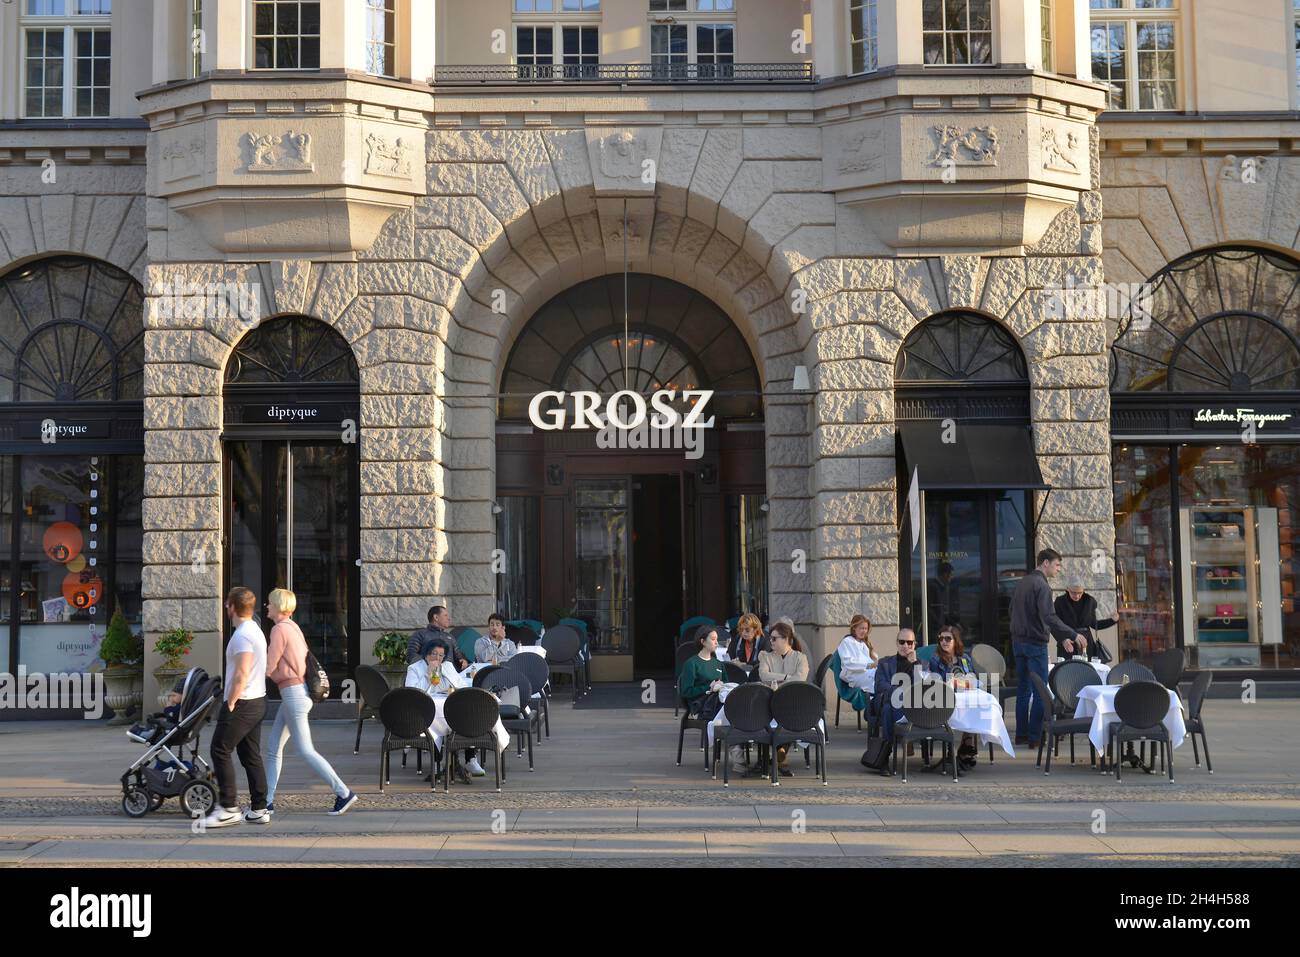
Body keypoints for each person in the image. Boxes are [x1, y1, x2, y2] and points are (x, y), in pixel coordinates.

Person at [262, 588, 357, 818]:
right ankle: (266, 801)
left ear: (278, 606)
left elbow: (269, 665)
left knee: (305, 750)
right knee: (274, 747)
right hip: (294, 693)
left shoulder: (279, 630)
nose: (267, 607)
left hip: (293, 694)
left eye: (269, 604)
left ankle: (343, 792)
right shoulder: (293, 627)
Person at [202, 587, 269, 828]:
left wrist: (230, 701)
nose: (225, 608)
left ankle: (229, 807)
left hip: (243, 701)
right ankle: (260, 808)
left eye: (227, 604)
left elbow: (242, 671)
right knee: (250, 755)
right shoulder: (256, 631)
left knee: (219, 749)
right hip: (258, 699)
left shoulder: (242, 636)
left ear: (232, 606)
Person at [1010, 548, 1087, 748]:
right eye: (1056, 565)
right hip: (1035, 645)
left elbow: (1016, 612)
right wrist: (1073, 634)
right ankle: (1035, 738)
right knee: (1040, 691)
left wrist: (1061, 638)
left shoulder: (1022, 583)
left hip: (1018, 643)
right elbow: (1048, 617)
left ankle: (1021, 735)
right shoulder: (1042, 586)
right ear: (1045, 563)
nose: (1058, 569)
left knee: (1023, 689)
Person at [406, 638, 473, 783]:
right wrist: (428, 675)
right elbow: (411, 694)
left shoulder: (447, 666)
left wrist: (451, 684)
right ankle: (436, 763)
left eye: (441, 655)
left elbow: (460, 686)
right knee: (436, 724)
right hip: (423, 710)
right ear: (426, 654)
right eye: (434, 654)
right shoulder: (415, 668)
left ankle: (468, 758)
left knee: (468, 714)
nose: (437, 658)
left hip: (448, 705)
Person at [758, 621, 810, 777]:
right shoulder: (766, 656)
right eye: (770, 638)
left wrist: (778, 681)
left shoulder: (800, 657)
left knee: (790, 715)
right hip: (769, 701)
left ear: (785, 638)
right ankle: (778, 754)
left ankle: (778, 753)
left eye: (774, 638)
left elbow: (800, 679)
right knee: (762, 717)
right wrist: (787, 677)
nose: (771, 641)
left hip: (791, 701)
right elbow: (763, 675)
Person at [929, 624, 979, 770]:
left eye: (947, 638)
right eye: (941, 638)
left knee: (974, 706)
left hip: (963, 697)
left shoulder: (964, 659)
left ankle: (966, 744)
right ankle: (963, 749)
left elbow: (972, 678)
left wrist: (961, 681)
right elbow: (936, 681)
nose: (943, 641)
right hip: (943, 699)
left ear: (956, 641)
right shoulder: (936, 660)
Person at [872, 628, 918, 746]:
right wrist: (899, 693)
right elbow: (880, 685)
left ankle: (886, 749)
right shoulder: (885, 662)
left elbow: (921, 687)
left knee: (888, 710)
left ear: (914, 644)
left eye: (909, 642)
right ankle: (906, 740)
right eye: (902, 642)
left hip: (909, 704)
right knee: (889, 705)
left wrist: (913, 664)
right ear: (897, 643)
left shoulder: (920, 664)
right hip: (886, 698)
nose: (905, 645)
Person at [1053, 580, 1116, 660]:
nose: (1077, 596)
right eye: (1073, 593)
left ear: (1084, 590)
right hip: (1068, 641)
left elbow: (1094, 624)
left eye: (1080, 593)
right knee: (1067, 669)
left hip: (1086, 642)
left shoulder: (1090, 601)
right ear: (1068, 589)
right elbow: (1055, 624)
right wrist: (1063, 639)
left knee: (1086, 670)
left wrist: (1112, 621)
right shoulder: (1060, 602)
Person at [677, 624, 726, 717]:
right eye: (713, 639)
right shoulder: (691, 664)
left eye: (717, 639)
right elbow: (686, 691)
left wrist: (721, 686)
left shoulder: (718, 663)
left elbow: (726, 683)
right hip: (700, 705)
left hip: (717, 702)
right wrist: (709, 687)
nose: (716, 642)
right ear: (703, 641)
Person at [406, 604, 468, 670]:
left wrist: (463, 661)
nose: (449, 618)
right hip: (427, 676)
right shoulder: (420, 634)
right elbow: (411, 655)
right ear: (436, 617)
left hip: (449, 677)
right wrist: (429, 663)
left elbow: (458, 656)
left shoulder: (450, 637)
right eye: (445, 615)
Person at [836, 614, 879, 689]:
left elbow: (872, 661)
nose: (864, 631)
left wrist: (874, 660)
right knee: (878, 680)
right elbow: (849, 663)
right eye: (861, 628)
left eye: (866, 628)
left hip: (866, 673)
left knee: (884, 676)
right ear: (854, 628)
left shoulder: (864, 644)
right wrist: (869, 665)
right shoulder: (847, 641)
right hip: (854, 675)